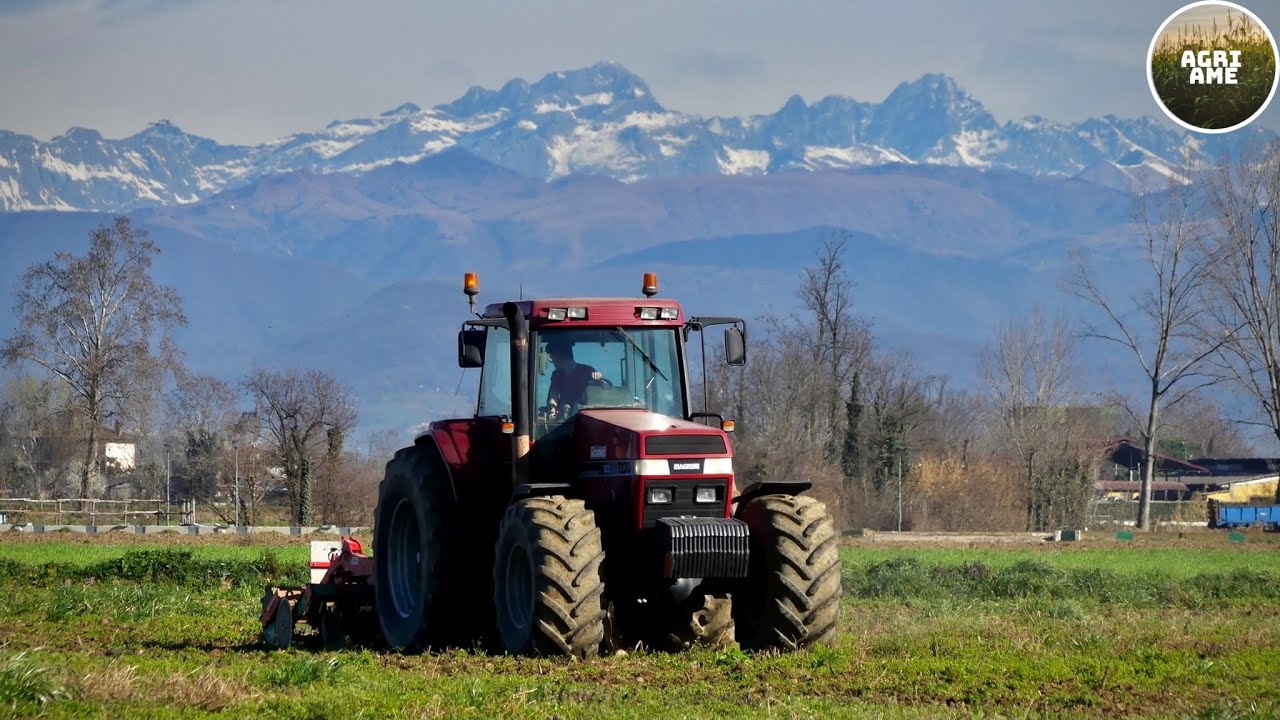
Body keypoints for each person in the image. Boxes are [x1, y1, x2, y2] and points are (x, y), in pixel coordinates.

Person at [545, 335, 604, 419]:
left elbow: (601, 393)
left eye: (553, 358)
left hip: (586, 416)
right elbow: (554, 393)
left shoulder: (588, 371)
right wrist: (552, 409)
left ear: (561, 357)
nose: (552, 361)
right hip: (565, 418)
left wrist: (599, 379)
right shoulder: (557, 375)